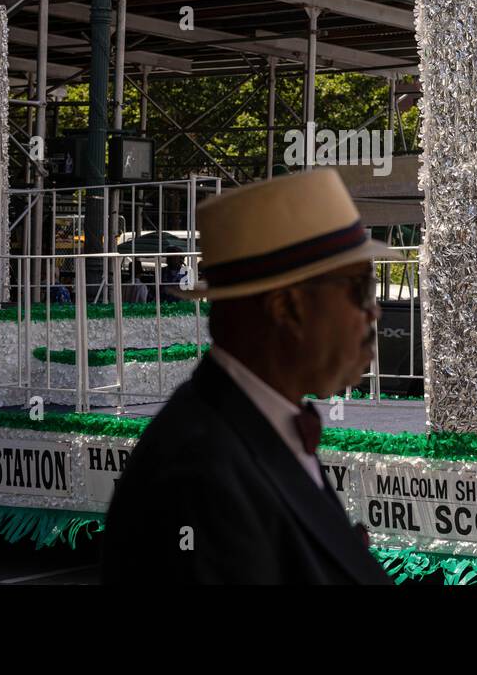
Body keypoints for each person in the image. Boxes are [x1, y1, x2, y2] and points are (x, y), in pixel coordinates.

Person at [102, 169, 392, 584]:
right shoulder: (199, 477)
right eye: (361, 289)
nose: (373, 312)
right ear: (287, 308)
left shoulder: (247, 431)